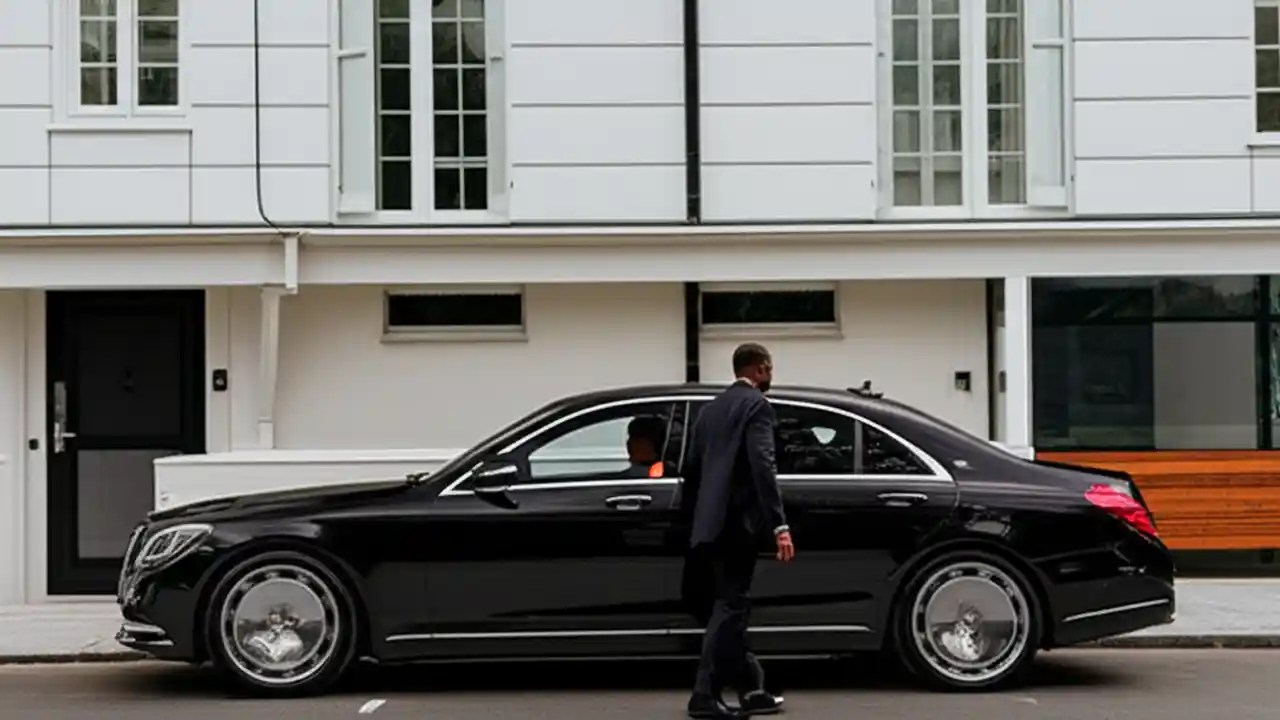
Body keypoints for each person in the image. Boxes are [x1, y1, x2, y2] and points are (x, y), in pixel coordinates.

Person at [680, 342, 795, 719]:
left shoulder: (709, 411)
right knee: (731, 606)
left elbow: (693, 470)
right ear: (760, 369)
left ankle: (752, 688)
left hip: (709, 522)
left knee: (731, 604)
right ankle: (704, 694)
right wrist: (779, 523)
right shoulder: (758, 407)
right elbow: (763, 465)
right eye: (770, 369)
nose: (771, 376)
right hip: (738, 522)